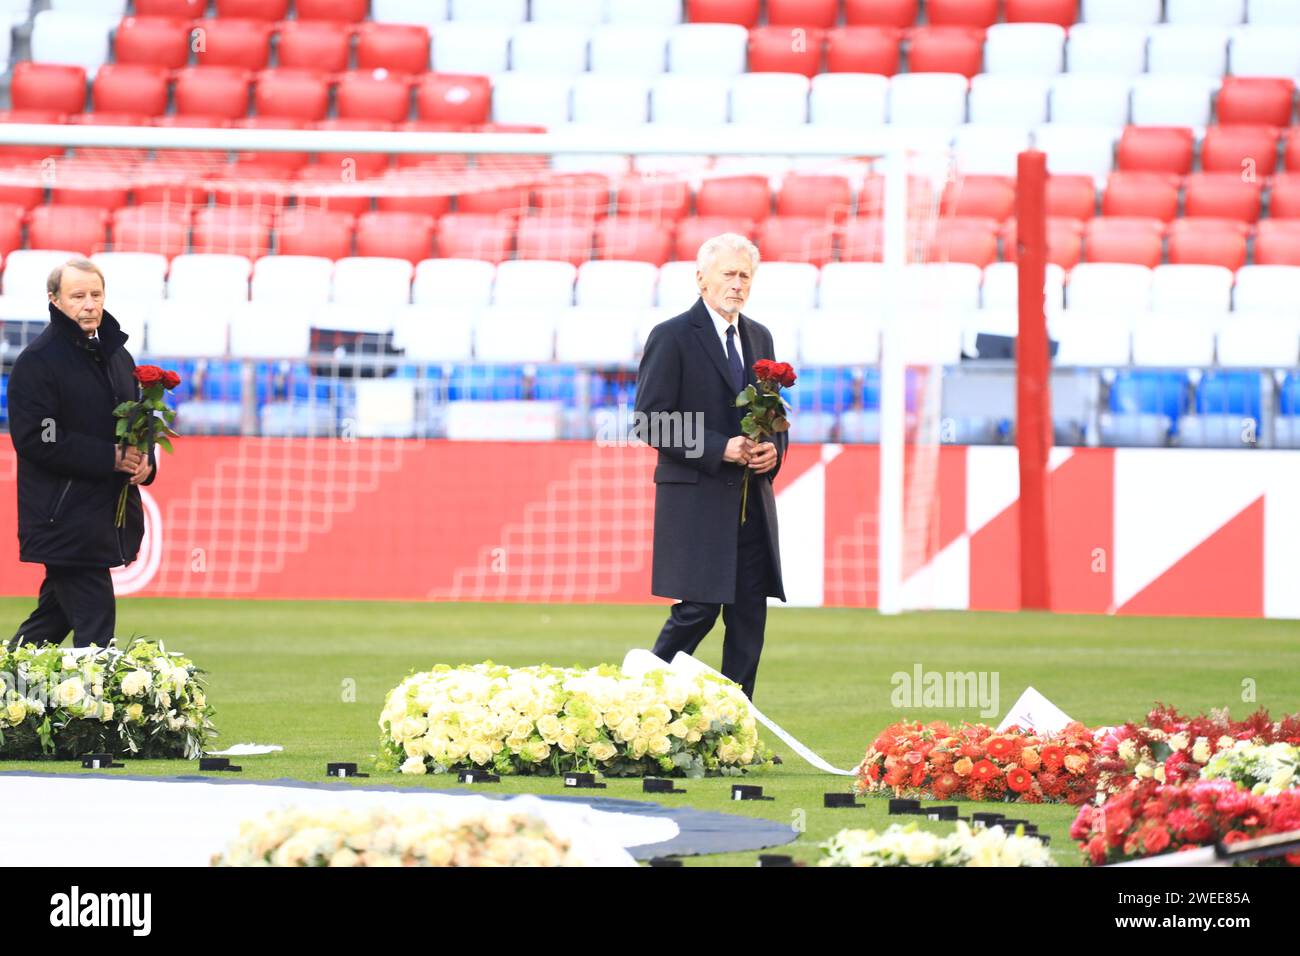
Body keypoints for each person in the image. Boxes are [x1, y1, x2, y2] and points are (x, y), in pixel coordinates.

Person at [634, 233, 787, 701]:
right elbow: (649, 420)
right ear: (701, 279)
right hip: (697, 502)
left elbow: (774, 416)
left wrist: (773, 449)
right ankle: (636, 703)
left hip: (750, 506)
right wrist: (720, 447)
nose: (737, 284)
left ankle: (736, 730)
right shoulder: (672, 335)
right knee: (697, 610)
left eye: (745, 276)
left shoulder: (760, 336)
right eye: (729, 274)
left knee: (748, 620)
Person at [6, 259, 155, 650]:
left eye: (95, 294)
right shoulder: (38, 362)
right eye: (78, 296)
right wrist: (110, 457)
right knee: (95, 623)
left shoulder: (118, 356)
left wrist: (145, 459)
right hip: (63, 517)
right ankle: (95, 710)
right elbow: (39, 438)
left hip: (100, 515)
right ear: (54, 301)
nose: (89, 304)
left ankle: (8, 691)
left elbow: (140, 419)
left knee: (49, 622)